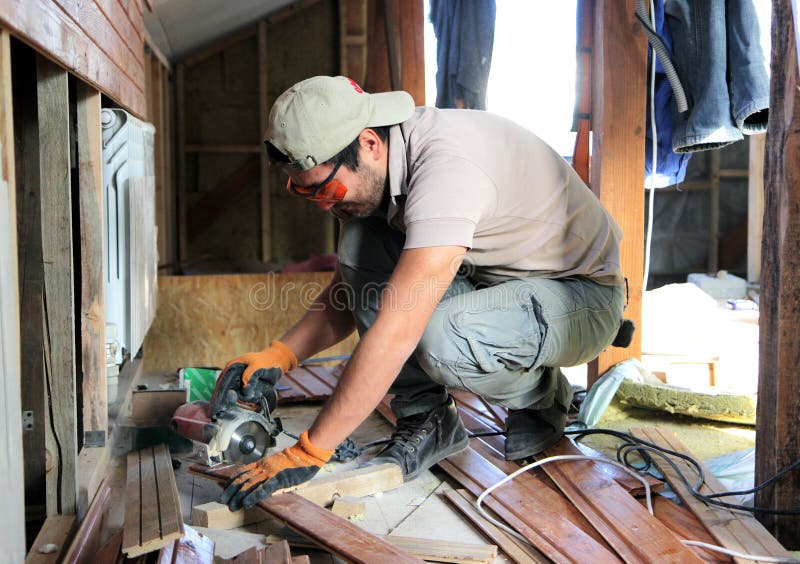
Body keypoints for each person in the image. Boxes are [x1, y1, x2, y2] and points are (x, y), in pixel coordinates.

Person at [217, 75, 626, 511]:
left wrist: (311, 449)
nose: (324, 204)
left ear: (369, 143)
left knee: (444, 339)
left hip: (580, 296)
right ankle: (428, 419)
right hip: (497, 282)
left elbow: (396, 331)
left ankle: (545, 396)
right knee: (362, 239)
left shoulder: (446, 172)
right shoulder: (378, 173)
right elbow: (351, 292)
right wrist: (281, 355)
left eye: (327, 190)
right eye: (305, 192)